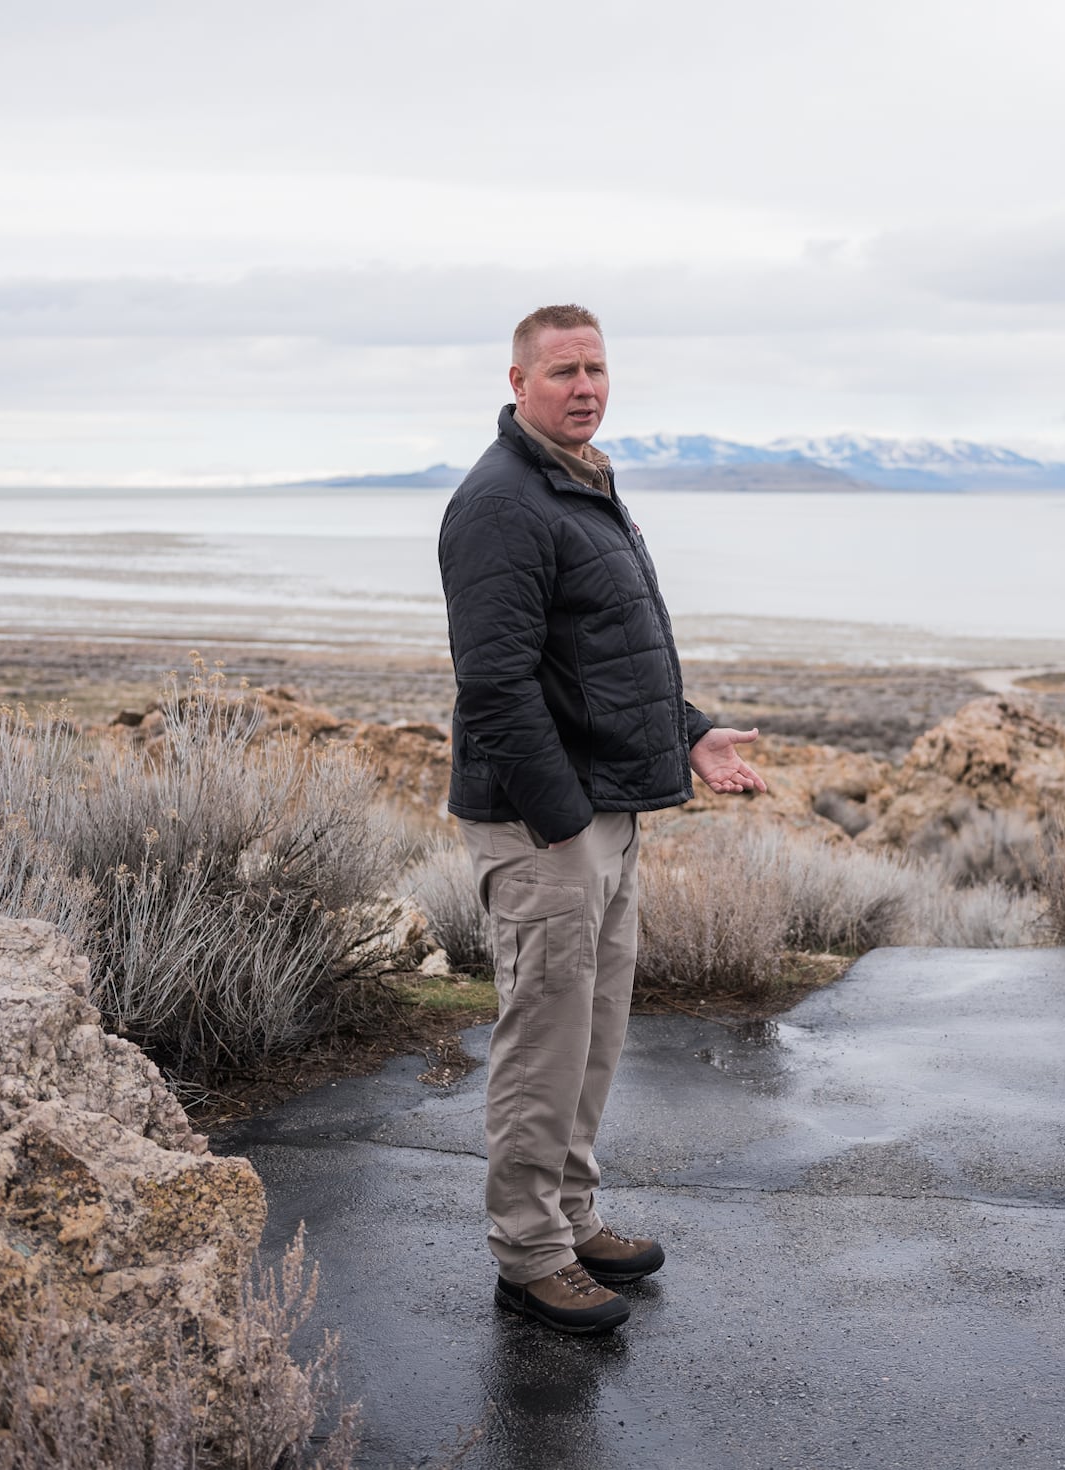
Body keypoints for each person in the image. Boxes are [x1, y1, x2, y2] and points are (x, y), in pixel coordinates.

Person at [437, 303, 767, 1335]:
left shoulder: (583, 485)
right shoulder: (503, 502)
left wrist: (692, 734)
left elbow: (610, 659)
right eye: (563, 371)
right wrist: (562, 819)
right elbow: (495, 684)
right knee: (542, 1044)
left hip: (606, 811)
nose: (585, 386)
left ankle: (571, 1217)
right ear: (518, 379)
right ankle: (529, 1255)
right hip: (550, 826)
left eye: (597, 368)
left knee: (593, 1035)